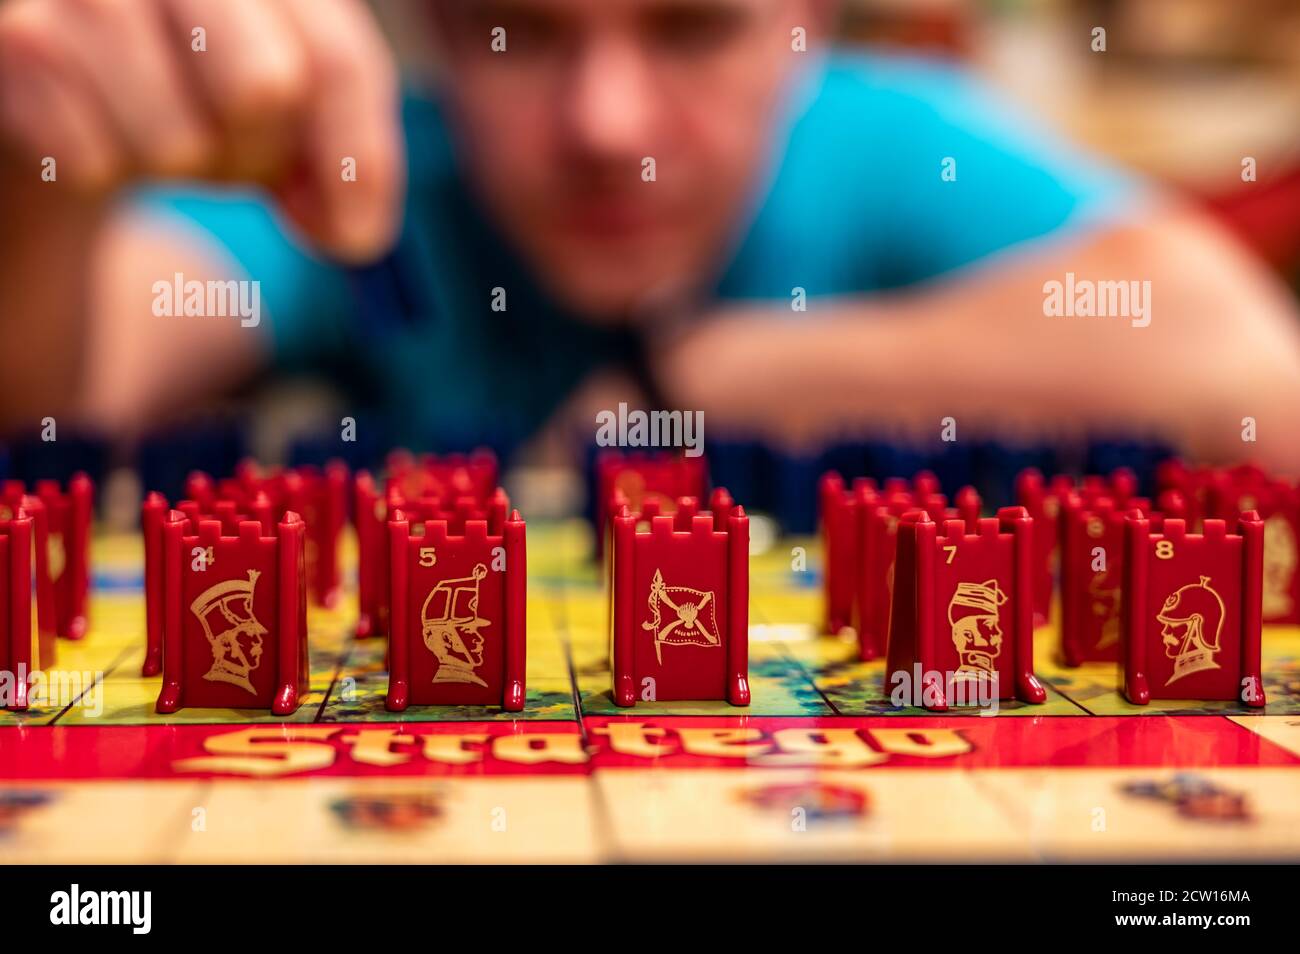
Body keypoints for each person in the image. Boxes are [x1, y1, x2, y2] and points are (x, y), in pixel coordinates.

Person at [2, 0, 1298, 468]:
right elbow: (57, 391)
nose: (608, 124)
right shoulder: (359, 173)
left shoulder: (891, 139)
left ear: (806, 24)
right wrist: (33, 169)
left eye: (690, 27)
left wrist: (720, 380)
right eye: (526, 32)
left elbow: (1255, 376)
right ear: (437, 39)